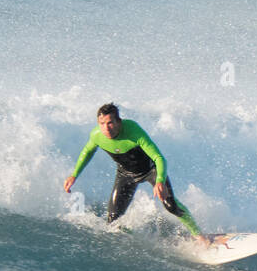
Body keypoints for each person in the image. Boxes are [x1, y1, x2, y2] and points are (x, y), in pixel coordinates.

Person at [63, 102, 207, 241]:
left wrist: (160, 181)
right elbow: (87, 152)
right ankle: (129, 237)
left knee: (171, 206)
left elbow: (159, 158)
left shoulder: (133, 130)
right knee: (113, 219)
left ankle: (199, 236)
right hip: (125, 174)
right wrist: (74, 175)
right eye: (102, 124)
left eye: (110, 123)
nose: (106, 128)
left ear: (119, 121)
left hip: (151, 170)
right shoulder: (96, 135)